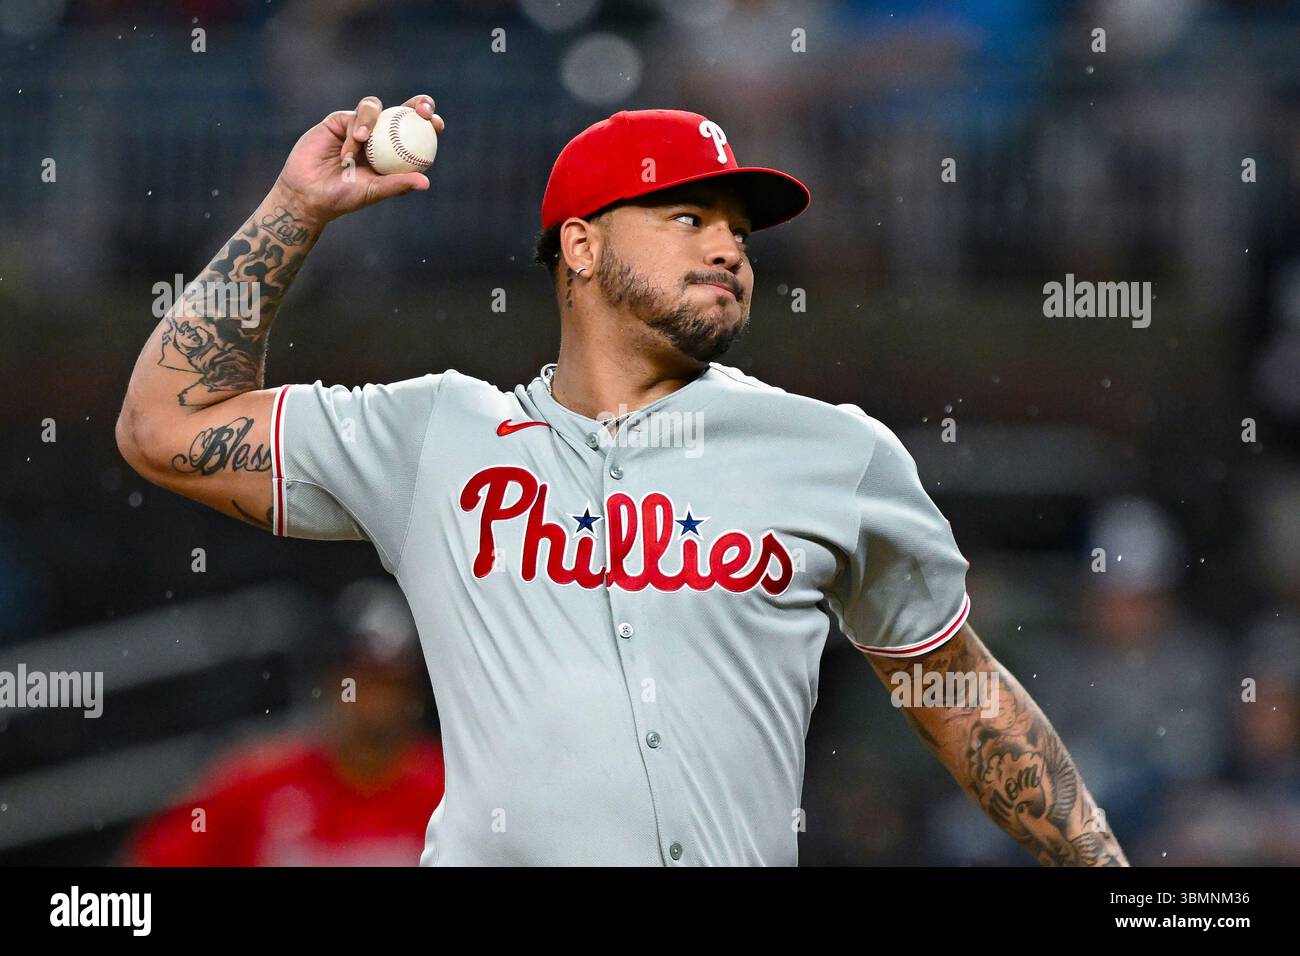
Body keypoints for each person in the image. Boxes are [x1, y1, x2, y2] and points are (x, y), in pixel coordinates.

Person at [114, 95, 1126, 866]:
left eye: (738, 227)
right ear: (581, 246)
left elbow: (956, 692)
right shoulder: (435, 432)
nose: (729, 244)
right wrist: (296, 208)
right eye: (687, 215)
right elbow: (165, 424)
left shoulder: (835, 452)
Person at [127, 580, 444, 866]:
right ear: (332, 679)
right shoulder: (258, 784)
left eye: (392, 684)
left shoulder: (448, 790)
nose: (377, 702)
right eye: (364, 680)